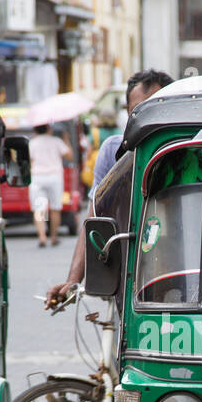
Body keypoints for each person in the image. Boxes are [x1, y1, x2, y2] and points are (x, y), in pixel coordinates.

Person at [45, 69, 173, 308]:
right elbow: (94, 214)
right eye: (139, 110)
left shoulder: (190, 150)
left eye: (158, 108)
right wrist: (73, 281)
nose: (149, 118)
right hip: (129, 278)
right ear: (128, 112)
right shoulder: (112, 151)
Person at [29, 123, 72, 247]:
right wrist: (66, 140)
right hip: (54, 177)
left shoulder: (32, 143)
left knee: (39, 208)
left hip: (37, 177)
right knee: (55, 208)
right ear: (48, 129)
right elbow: (69, 156)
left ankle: (42, 236)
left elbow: (30, 161)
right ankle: (54, 237)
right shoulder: (56, 141)